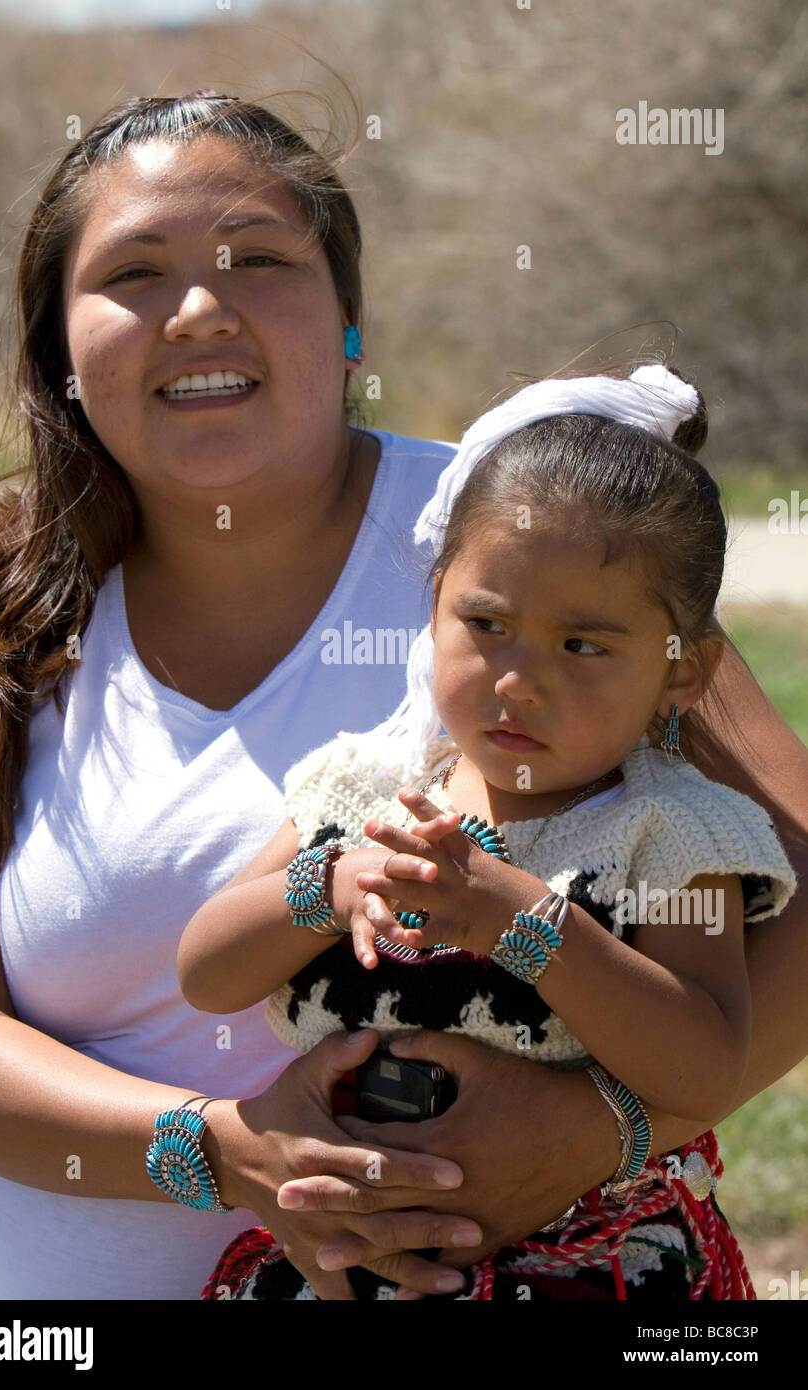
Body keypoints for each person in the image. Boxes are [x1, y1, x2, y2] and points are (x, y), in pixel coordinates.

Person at [0, 93, 806, 1303]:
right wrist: (222, 1155)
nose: (199, 309)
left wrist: (594, 1128)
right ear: (58, 351)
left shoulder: (525, 541)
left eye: (257, 258)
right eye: (134, 272)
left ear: (350, 320)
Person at [179, 365, 795, 1299]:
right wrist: (330, 885)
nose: (519, 679)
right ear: (433, 608)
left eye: (583, 645)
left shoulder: (676, 834)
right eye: (488, 623)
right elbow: (205, 973)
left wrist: (528, 925)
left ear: (683, 671)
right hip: (342, 1257)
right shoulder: (366, 791)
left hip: (598, 1264)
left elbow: (705, 1068)